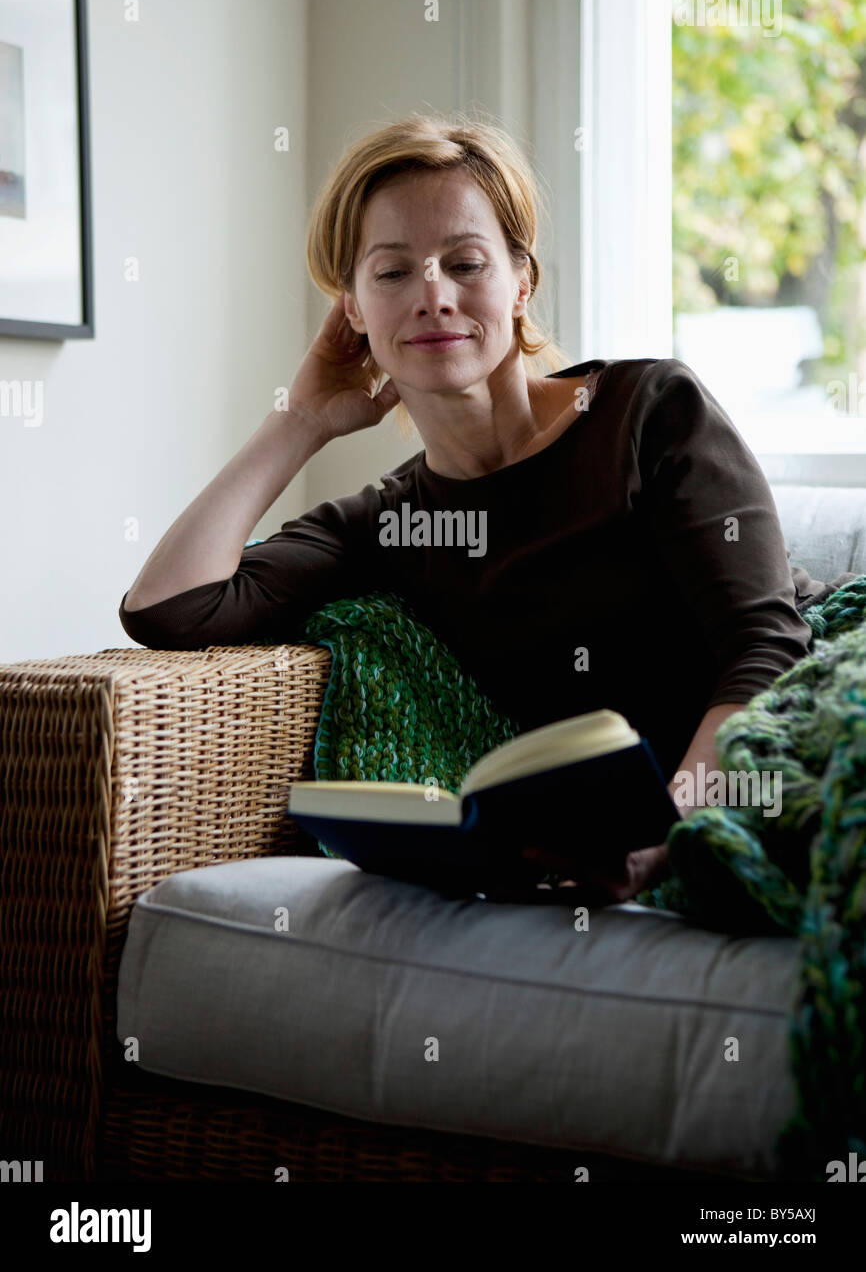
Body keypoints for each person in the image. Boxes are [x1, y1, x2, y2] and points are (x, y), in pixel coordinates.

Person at [120, 113, 815, 903]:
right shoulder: (390, 520)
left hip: (773, 739)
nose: (434, 297)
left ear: (522, 284)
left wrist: (671, 837)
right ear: (351, 311)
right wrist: (300, 421)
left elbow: (765, 645)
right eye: (391, 274)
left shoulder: (648, 410)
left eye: (466, 263)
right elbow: (169, 610)